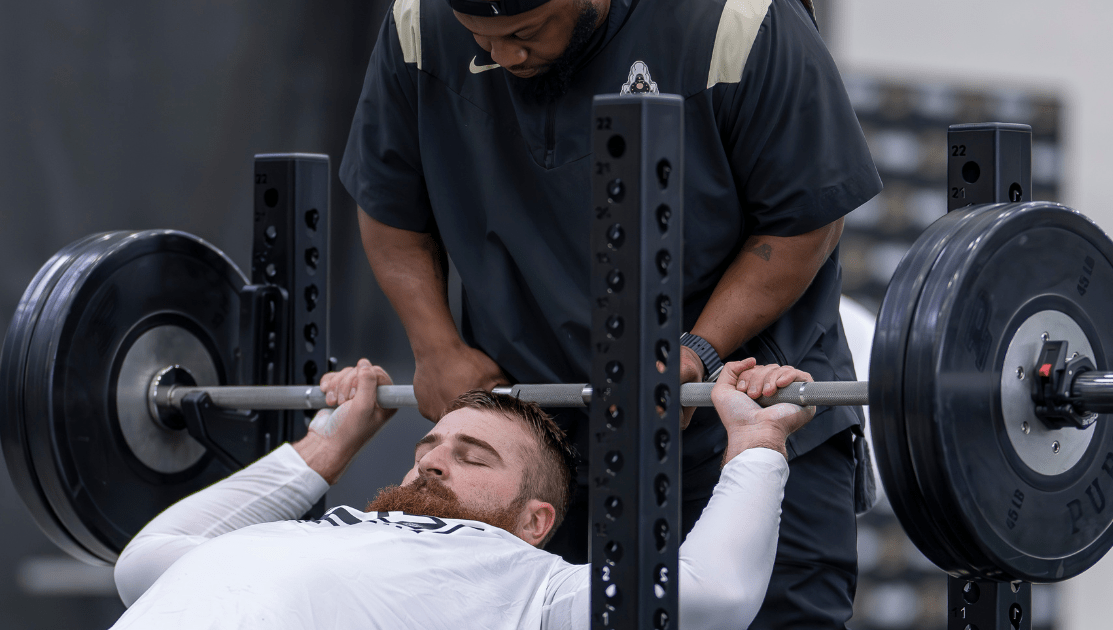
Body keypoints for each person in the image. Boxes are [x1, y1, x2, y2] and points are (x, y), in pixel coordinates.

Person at [339, 0, 881, 626]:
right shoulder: (418, 21)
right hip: (544, 446)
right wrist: (436, 348)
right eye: (478, 39)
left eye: (522, 33)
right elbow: (389, 208)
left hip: (737, 415)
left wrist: (697, 352)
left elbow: (805, 222)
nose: (501, 57)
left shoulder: (738, 19)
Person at [110, 357, 816, 629]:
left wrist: (755, 445)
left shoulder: (529, 590)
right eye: (427, 448)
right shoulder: (317, 533)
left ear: (535, 519)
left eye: (471, 456)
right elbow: (143, 561)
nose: (432, 464)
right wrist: (328, 445)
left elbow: (712, 597)